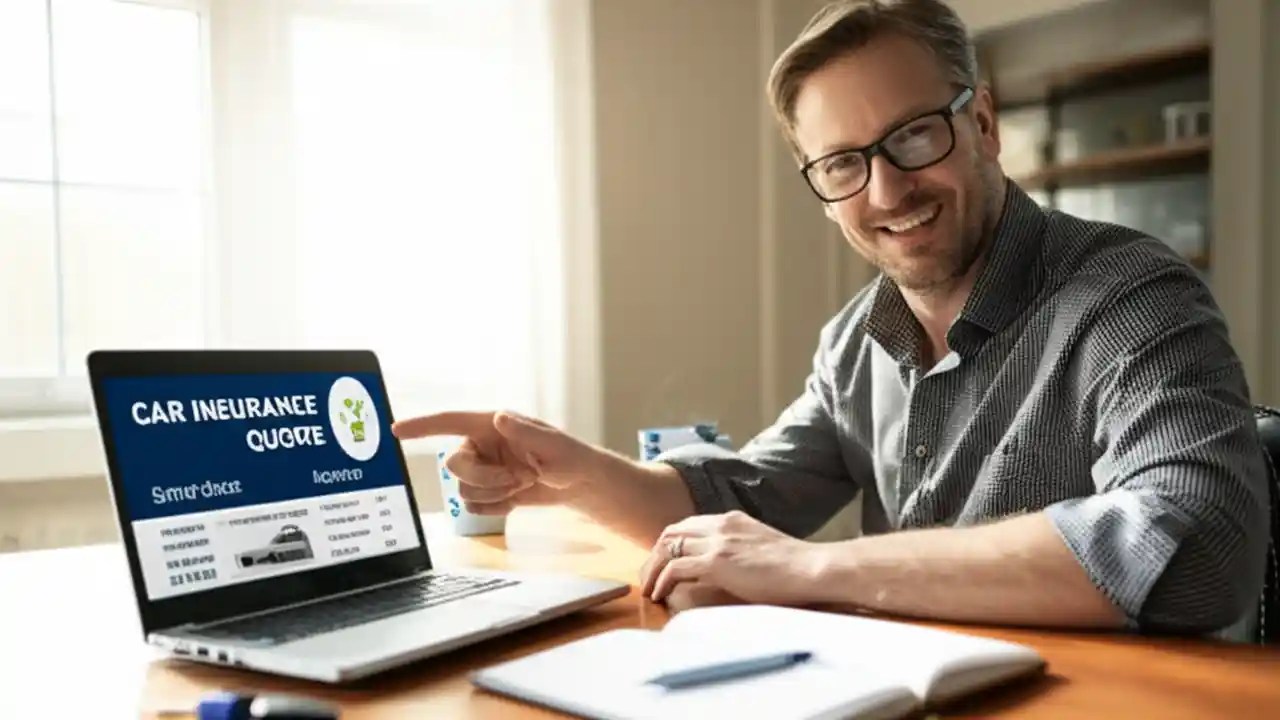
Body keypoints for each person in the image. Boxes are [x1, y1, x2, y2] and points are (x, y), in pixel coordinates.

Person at [392, 0, 1268, 636]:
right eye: (844, 163)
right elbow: (735, 500)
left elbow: (1197, 547)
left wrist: (809, 568)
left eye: (915, 135)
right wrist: (564, 470)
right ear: (820, 189)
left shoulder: (1130, 294)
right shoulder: (856, 341)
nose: (887, 190)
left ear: (986, 123)